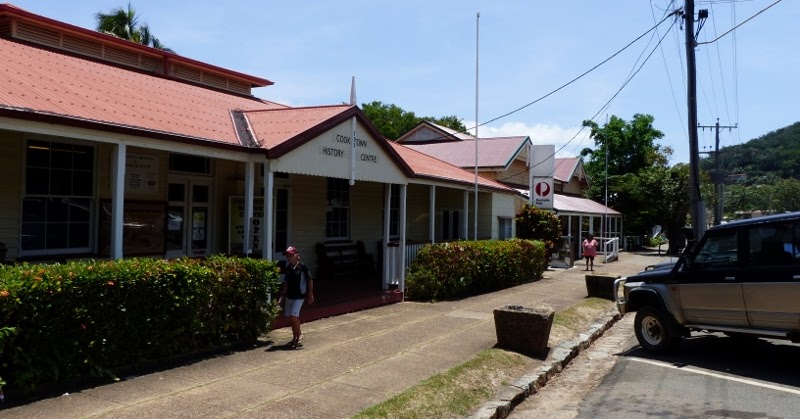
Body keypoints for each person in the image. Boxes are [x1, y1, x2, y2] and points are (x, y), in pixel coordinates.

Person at [277, 246, 314, 348]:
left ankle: (300, 334)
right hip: (290, 296)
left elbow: (310, 280)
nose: (288, 257)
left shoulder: (302, 267)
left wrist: (310, 294)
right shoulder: (288, 268)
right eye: (287, 255)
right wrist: (282, 296)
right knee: (291, 318)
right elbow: (286, 283)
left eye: (291, 255)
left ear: (297, 255)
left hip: (299, 296)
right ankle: (294, 338)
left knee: (294, 316)